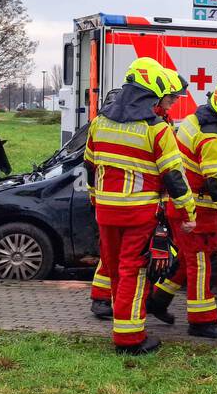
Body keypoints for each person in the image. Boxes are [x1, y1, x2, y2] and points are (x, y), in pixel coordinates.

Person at [83, 58, 197, 355]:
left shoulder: (99, 122)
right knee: (135, 271)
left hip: (106, 211)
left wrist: (96, 197)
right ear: (151, 95)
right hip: (139, 212)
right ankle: (130, 338)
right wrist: (188, 213)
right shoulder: (156, 129)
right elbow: (174, 177)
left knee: (116, 270)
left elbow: (90, 166)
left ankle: (124, 325)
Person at [150, 80, 217, 339]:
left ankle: (157, 301)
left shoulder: (195, 121)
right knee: (200, 264)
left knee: (188, 259)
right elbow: (216, 183)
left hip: (185, 206)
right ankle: (201, 321)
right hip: (195, 211)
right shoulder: (212, 139)